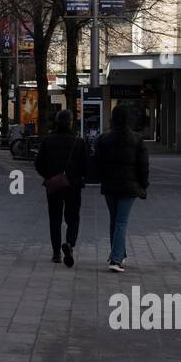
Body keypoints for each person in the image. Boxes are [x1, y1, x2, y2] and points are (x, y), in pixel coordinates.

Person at [96, 104, 148, 272]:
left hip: (110, 185)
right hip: (129, 185)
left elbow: (98, 162)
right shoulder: (137, 139)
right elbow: (143, 166)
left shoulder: (104, 139)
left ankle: (119, 254)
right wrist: (143, 185)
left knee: (115, 220)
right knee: (121, 222)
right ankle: (116, 259)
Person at [35, 110, 90, 267]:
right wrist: (77, 176)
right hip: (73, 186)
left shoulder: (48, 140)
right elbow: (86, 167)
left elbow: (38, 163)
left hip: (54, 186)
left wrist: (49, 176)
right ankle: (69, 243)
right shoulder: (78, 142)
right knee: (73, 218)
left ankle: (56, 253)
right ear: (71, 122)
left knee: (55, 219)